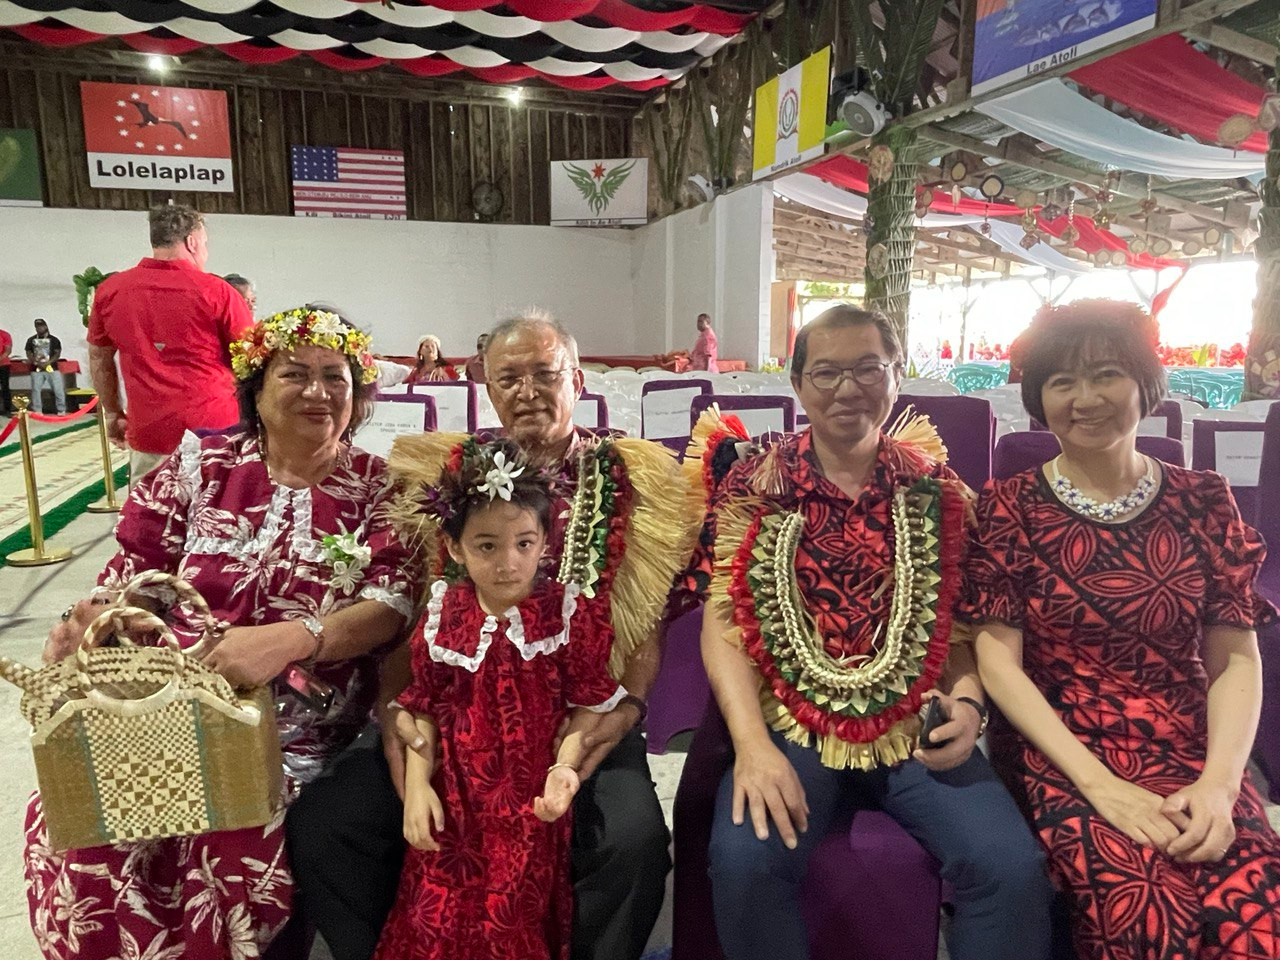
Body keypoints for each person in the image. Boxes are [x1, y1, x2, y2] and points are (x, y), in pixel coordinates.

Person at [287, 312, 696, 960]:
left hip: (580, 715)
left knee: (634, 843)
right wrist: (397, 713)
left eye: (545, 373)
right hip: (456, 710)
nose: (528, 391)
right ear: (487, 387)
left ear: (578, 379)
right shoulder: (448, 474)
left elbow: (647, 624)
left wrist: (627, 714)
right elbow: (411, 608)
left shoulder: (629, 475)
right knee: (326, 824)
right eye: (510, 377)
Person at [25, 306, 419, 959]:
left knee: (227, 826)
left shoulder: (379, 487)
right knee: (94, 813)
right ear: (255, 389)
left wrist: (299, 636)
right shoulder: (200, 466)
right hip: (172, 701)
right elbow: (135, 566)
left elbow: (391, 602)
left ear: (359, 393)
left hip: (299, 727)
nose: (319, 392)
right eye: (296, 374)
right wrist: (86, 617)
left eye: (336, 377)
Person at [697, 305, 1053, 960]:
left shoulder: (936, 488)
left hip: (913, 729)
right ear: (799, 384)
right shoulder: (758, 482)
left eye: (868, 369)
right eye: (826, 372)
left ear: (897, 376)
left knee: (1009, 868)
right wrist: (751, 744)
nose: (847, 389)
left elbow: (964, 624)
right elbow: (725, 624)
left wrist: (969, 707)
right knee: (745, 863)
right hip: (793, 724)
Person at [959, 300, 1280, 959]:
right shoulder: (1009, 508)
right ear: (1038, 399)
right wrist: (1102, 787)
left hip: (1192, 742)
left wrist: (1222, 784)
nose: (1085, 398)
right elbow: (999, 667)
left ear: (1144, 383)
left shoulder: (1204, 499)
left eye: (1106, 374)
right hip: (1064, 750)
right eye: (1061, 382)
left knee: (1256, 903)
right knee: (1143, 906)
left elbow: (1237, 660)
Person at [374, 439, 625, 960]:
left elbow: (585, 703)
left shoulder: (566, 614)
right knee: (432, 916)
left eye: (524, 543)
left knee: (511, 919)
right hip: (459, 796)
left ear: (544, 541)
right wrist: (419, 786)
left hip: (529, 802)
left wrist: (566, 769)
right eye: (487, 546)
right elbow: (423, 708)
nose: (509, 563)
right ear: (457, 547)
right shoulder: (446, 614)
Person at [88, 203, 253, 487]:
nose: (205, 252)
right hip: (216, 431)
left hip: (150, 432)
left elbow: (99, 358)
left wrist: (113, 412)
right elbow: (251, 359)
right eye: (204, 244)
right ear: (191, 242)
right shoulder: (218, 292)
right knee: (218, 520)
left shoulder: (112, 290)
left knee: (149, 521)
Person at [24, 319, 64, 415]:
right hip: (36, 368)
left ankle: (61, 409)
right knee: (36, 390)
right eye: (37, 326)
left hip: (52, 368)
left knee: (58, 389)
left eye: (41, 326)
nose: (39, 328)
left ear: (46, 326)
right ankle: (37, 410)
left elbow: (57, 353)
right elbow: (28, 352)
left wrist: (48, 362)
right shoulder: (31, 340)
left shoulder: (54, 339)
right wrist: (35, 361)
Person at [0, 324, 12, 415]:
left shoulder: (4, 334)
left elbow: (7, 351)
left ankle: (8, 409)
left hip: (3, 364)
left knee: (5, 387)